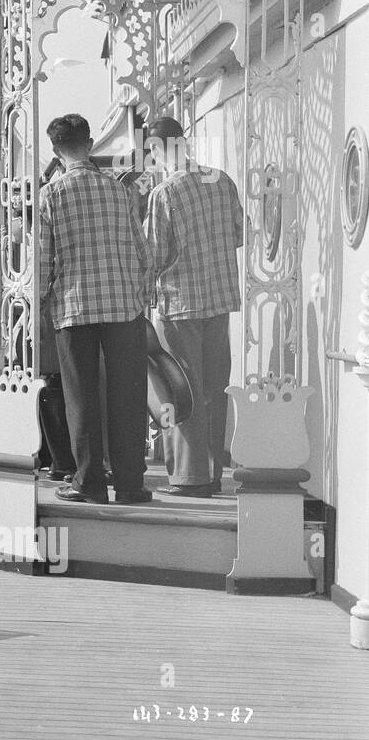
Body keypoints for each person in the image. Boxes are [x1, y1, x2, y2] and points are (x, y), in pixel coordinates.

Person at [38, 113, 152, 506]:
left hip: (73, 306)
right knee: (128, 395)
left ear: (56, 151)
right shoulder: (118, 190)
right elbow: (141, 250)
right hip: (123, 304)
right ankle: (131, 483)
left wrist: (42, 300)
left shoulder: (51, 194)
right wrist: (140, 293)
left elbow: (42, 261)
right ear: (90, 144)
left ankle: (88, 482)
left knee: (81, 397)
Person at [145, 116, 244, 498]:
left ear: (161, 147)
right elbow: (238, 232)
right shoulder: (221, 180)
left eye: (152, 150)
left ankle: (189, 477)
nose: (152, 158)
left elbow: (154, 255)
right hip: (219, 300)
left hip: (179, 303)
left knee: (181, 391)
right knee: (214, 390)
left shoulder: (165, 193)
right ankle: (214, 472)